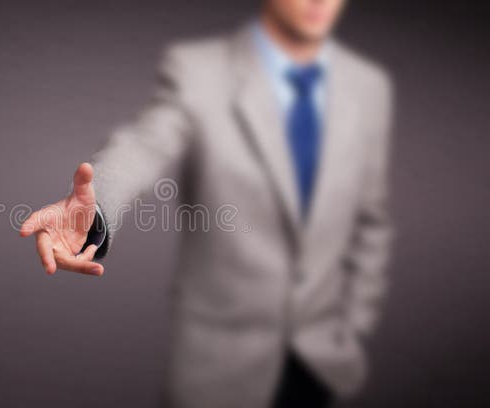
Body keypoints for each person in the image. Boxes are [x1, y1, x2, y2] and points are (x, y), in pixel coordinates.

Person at [20, 0, 394, 407]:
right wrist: (96, 207)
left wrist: (354, 327)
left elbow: (370, 219)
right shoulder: (199, 70)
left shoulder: (368, 87)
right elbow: (145, 144)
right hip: (220, 369)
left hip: (323, 364)